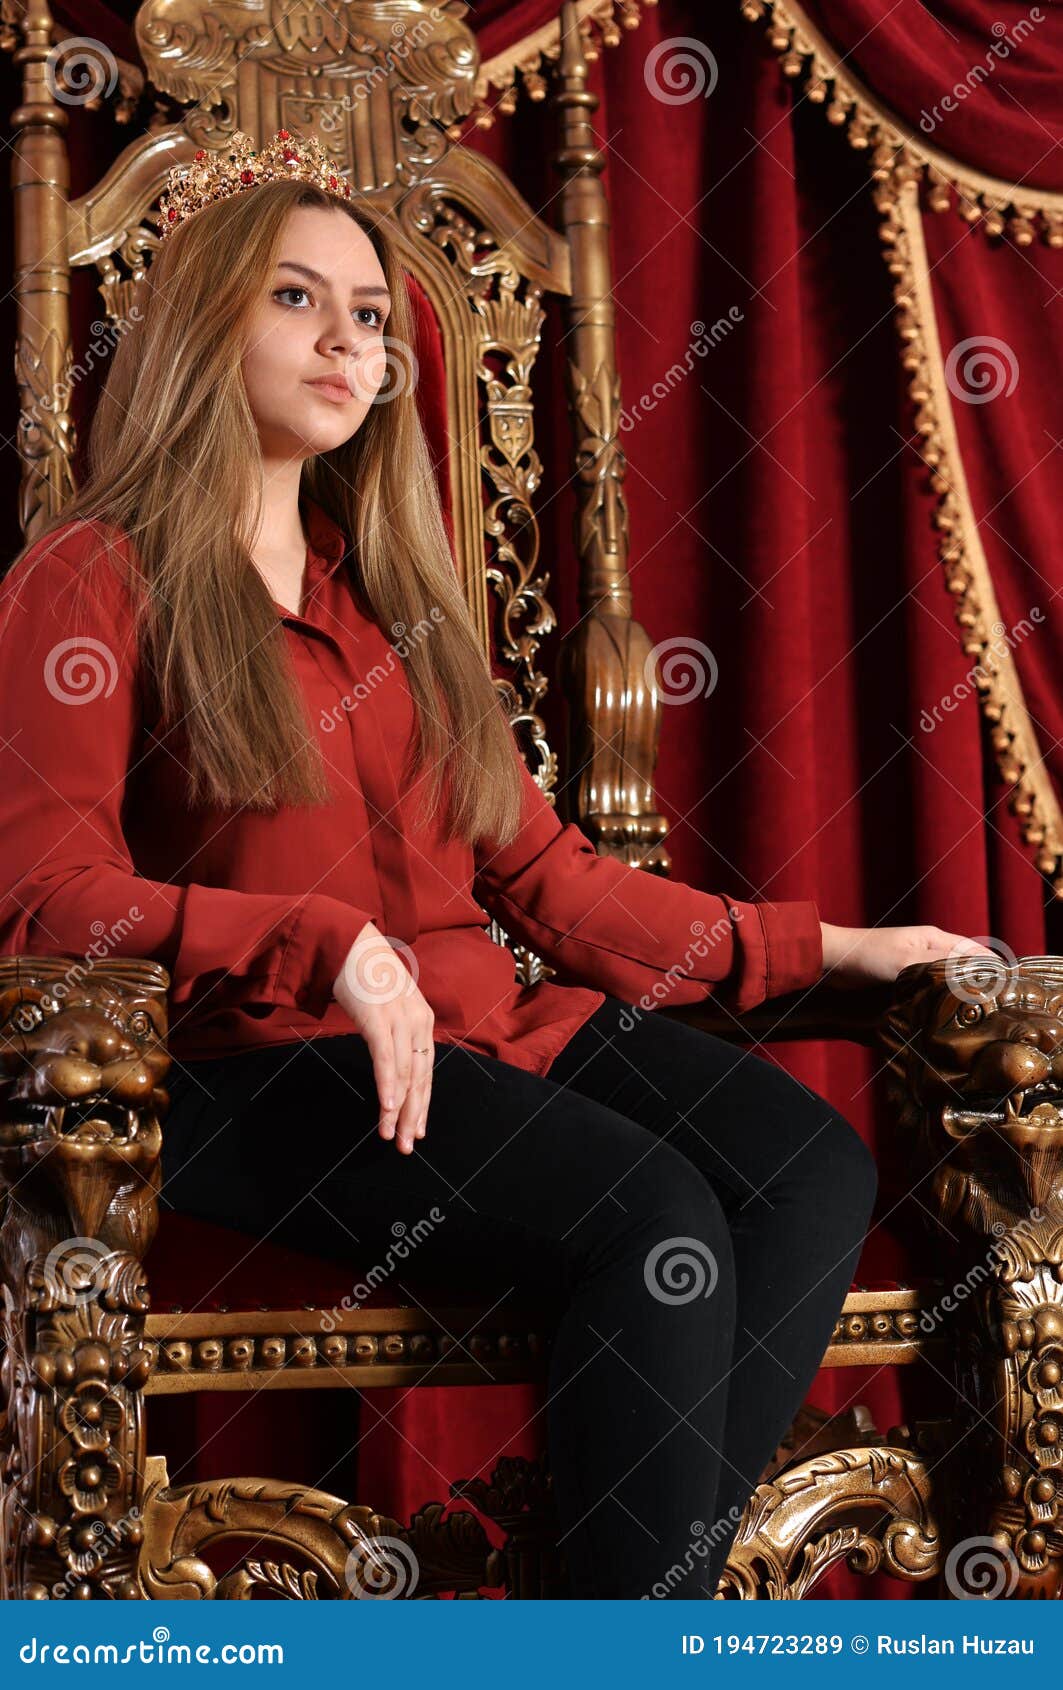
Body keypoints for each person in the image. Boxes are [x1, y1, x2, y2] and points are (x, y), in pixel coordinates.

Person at [0, 129, 992, 1599]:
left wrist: (835, 946)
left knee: (807, 1166)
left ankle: (629, 1628)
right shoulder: (91, 574)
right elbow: (42, 898)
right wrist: (321, 939)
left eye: (369, 314)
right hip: (261, 1063)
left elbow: (555, 882)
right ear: (205, 318)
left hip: (487, 1033)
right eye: (296, 298)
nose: (347, 340)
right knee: (653, 1217)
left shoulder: (392, 602)